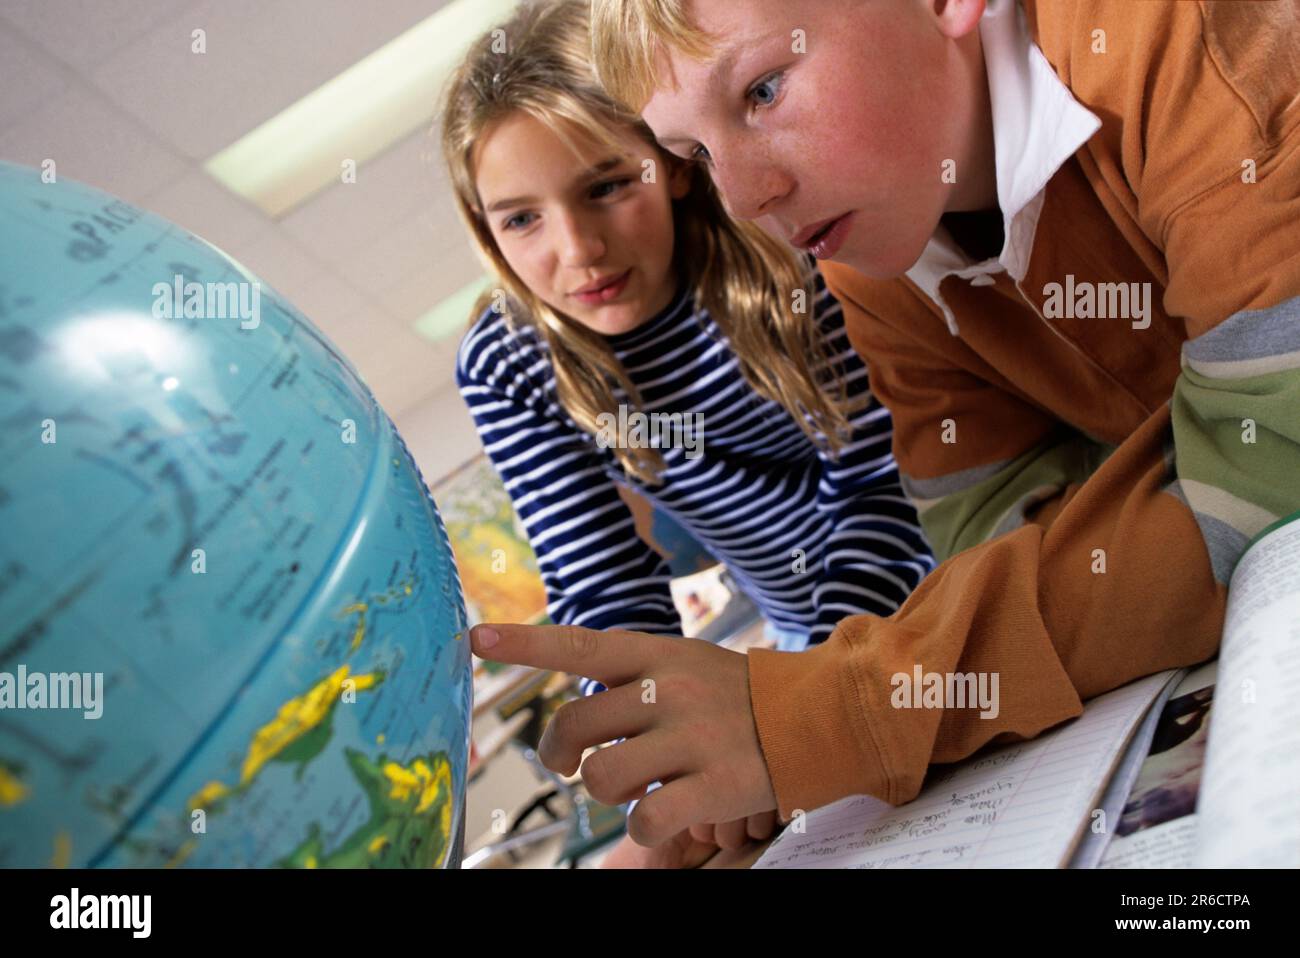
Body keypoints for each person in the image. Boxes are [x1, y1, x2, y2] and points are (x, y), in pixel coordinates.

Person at [469, 0, 1300, 859]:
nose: (747, 200)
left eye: (762, 89)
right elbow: (995, 538)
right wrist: (688, 760)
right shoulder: (877, 260)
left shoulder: (1178, 37)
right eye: (697, 154)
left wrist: (831, 709)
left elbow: (1265, 483)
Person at [441, 0, 934, 861]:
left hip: (925, 596)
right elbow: (604, 596)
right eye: (521, 219)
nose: (579, 251)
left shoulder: (783, 236)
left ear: (668, 163)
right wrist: (670, 769)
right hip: (788, 651)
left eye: (604, 187)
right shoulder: (508, 361)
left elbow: (880, 489)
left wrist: (794, 715)